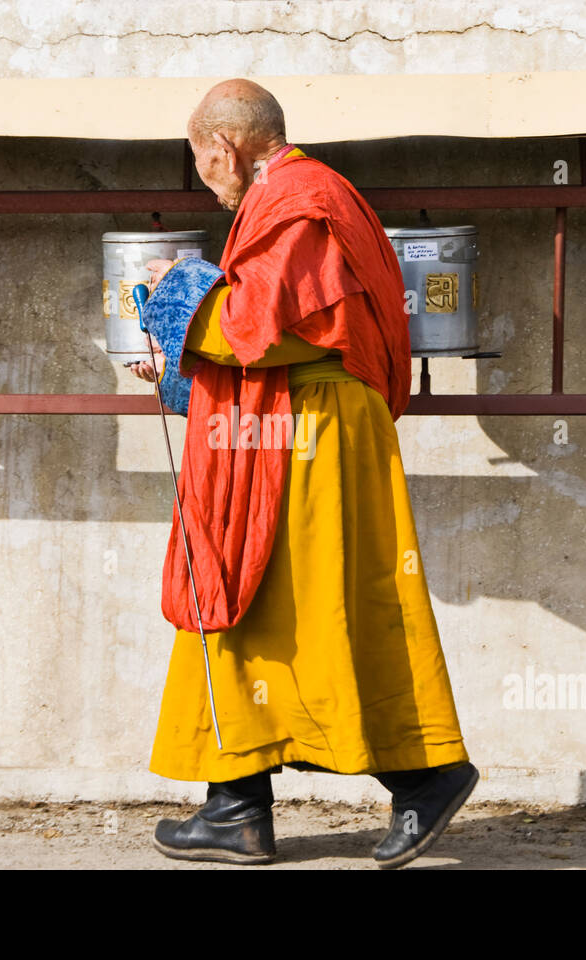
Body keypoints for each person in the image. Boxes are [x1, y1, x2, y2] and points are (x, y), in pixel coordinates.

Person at [130, 78, 475, 869]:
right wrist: (189, 365)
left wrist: (171, 290)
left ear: (222, 147)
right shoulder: (292, 197)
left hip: (307, 435)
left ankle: (428, 773)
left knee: (319, 608)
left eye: (200, 160)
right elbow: (273, 328)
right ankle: (235, 805)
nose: (202, 176)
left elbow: (256, 324)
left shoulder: (301, 199)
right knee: (243, 597)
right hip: (283, 423)